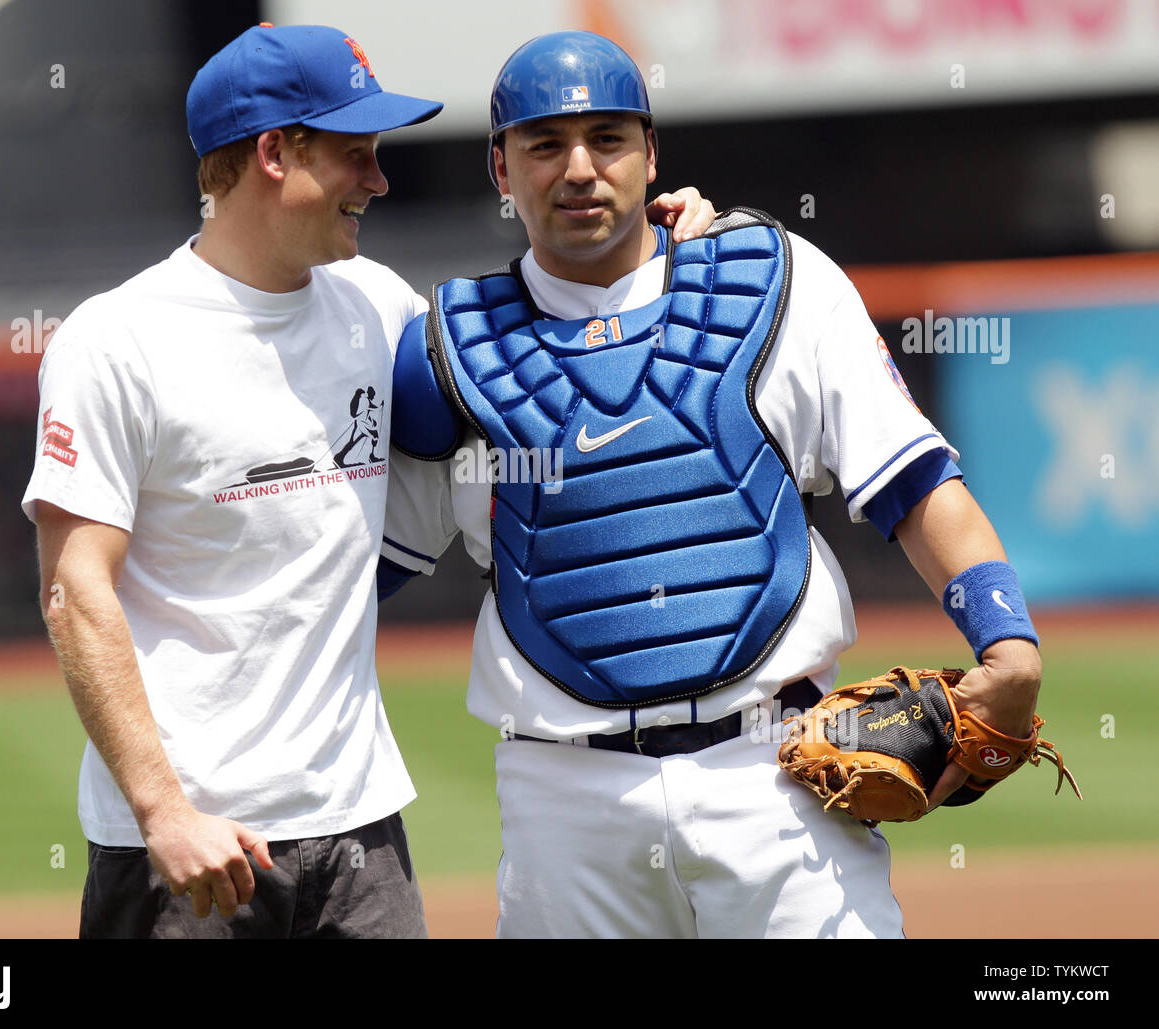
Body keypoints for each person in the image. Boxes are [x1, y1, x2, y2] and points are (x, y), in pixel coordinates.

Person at [21, 23, 714, 939]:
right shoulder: (116, 341)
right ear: (274, 152)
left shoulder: (377, 305)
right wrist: (163, 813)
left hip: (361, 834)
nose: (380, 181)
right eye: (357, 155)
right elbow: (76, 591)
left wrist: (667, 247)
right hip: (191, 849)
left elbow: (539, 351)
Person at [380, 31, 1044, 938]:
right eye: (544, 144)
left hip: (776, 774)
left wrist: (1009, 644)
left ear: (651, 154)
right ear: (501, 167)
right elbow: (360, 573)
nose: (579, 168)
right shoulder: (449, 358)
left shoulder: (773, 281)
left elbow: (915, 480)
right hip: (564, 803)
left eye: (608, 139)